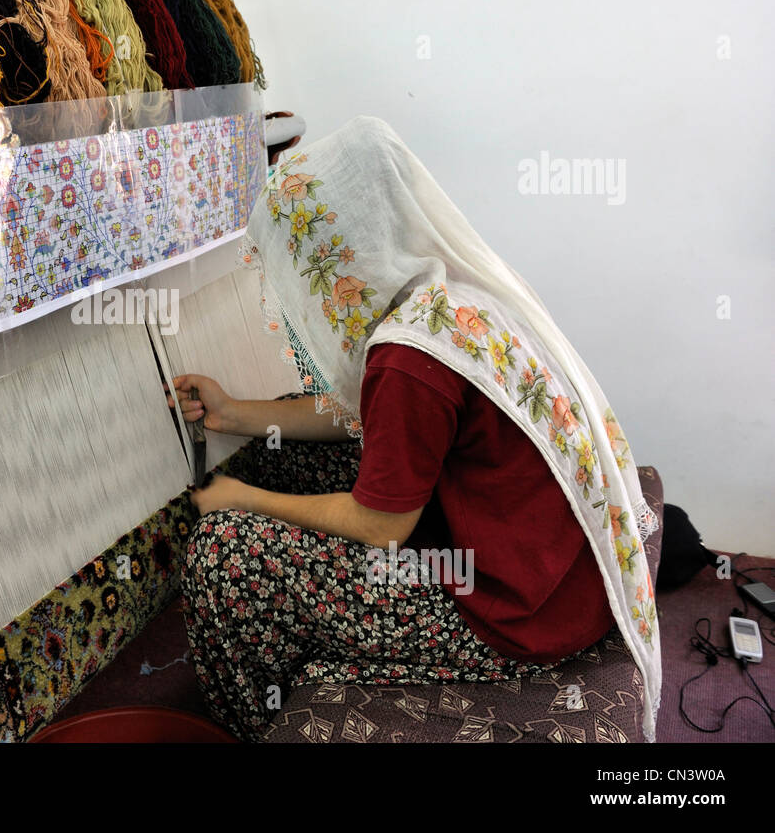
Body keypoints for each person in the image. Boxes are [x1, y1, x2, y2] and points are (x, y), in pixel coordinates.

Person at [169, 116, 662, 743]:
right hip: (560, 571)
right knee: (289, 459)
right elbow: (365, 419)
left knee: (226, 551)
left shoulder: (408, 357)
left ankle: (251, 725)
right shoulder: (448, 297)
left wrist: (241, 501)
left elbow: (383, 526)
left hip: (517, 615)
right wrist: (235, 411)